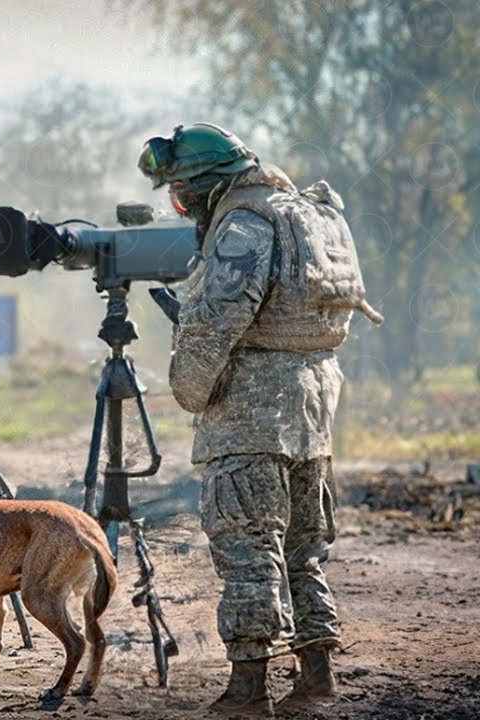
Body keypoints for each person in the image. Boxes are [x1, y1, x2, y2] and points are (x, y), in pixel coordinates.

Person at [137, 123, 382, 713]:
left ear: (200, 188)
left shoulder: (244, 222)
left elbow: (216, 321)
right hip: (312, 406)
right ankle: (316, 675)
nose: (182, 207)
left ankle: (248, 689)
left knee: (247, 547)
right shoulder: (305, 213)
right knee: (303, 545)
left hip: (250, 413)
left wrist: (189, 387)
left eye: (180, 195)